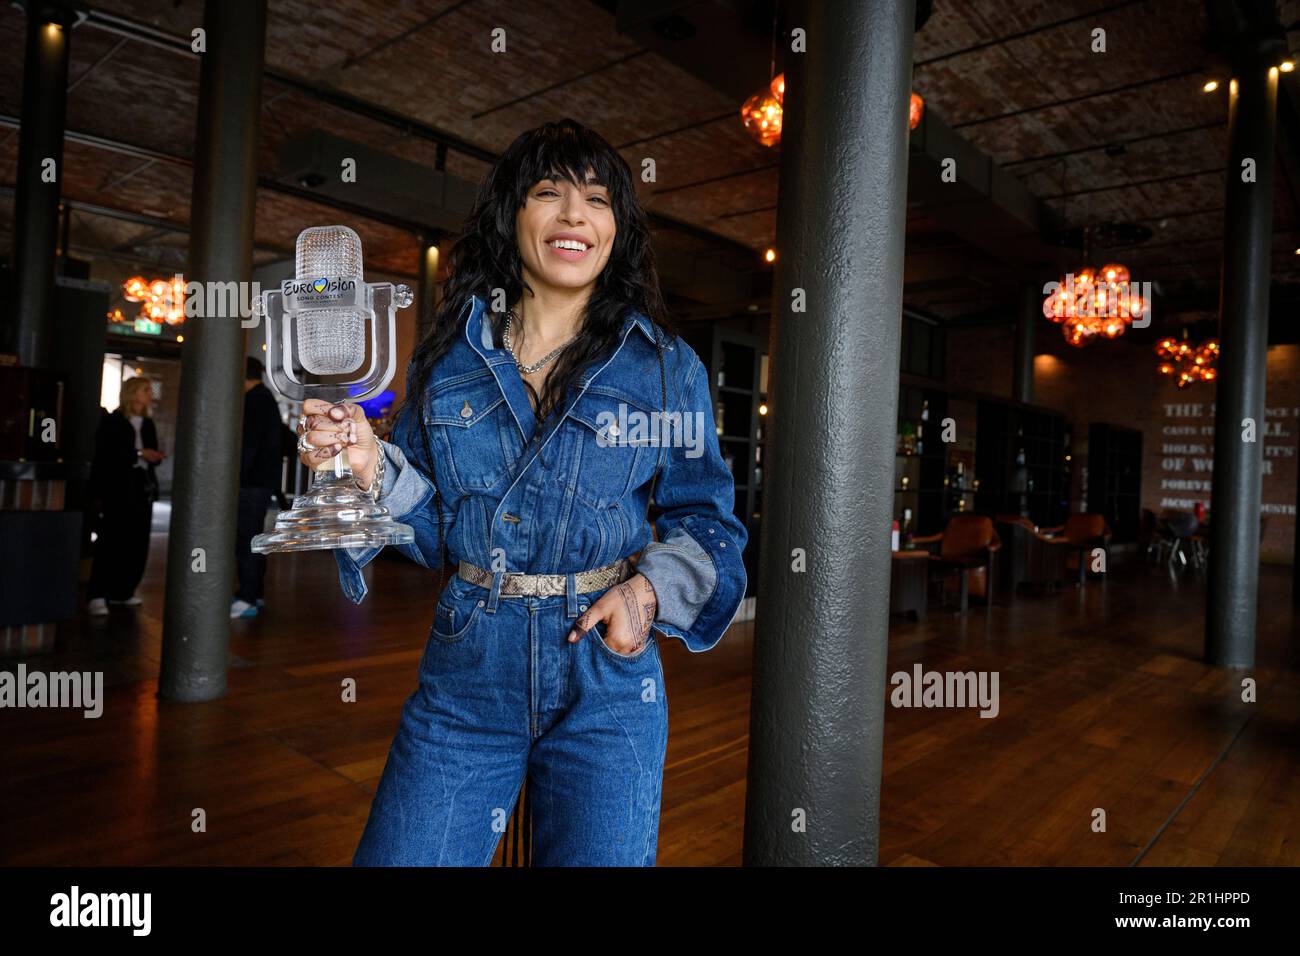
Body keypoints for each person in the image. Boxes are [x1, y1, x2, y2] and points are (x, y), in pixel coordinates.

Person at [297, 118, 747, 866]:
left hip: (605, 675)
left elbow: (710, 521)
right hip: (469, 666)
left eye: (598, 200)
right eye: (550, 193)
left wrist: (644, 598)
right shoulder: (449, 360)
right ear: (513, 215)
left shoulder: (665, 368)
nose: (575, 215)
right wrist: (367, 465)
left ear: (616, 230)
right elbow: (434, 533)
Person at [87, 376, 164, 615]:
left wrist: (151, 456)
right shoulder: (114, 422)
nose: (149, 394)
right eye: (145, 390)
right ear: (133, 393)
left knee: (137, 539)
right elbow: (108, 454)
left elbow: (150, 453)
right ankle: (98, 594)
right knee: (112, 537)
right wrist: (140, 452)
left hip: (142, 486)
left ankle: (124, 590)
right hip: (118, 486)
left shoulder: (148, 424)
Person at [232, 357, 289, 618]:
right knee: (252, 538)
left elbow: (250, 446)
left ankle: (248, 597)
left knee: (247, 539)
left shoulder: (255, 400)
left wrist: (236, 478)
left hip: (252, 483)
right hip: (262, 482)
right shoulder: (266, 399)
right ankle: (254, 594)